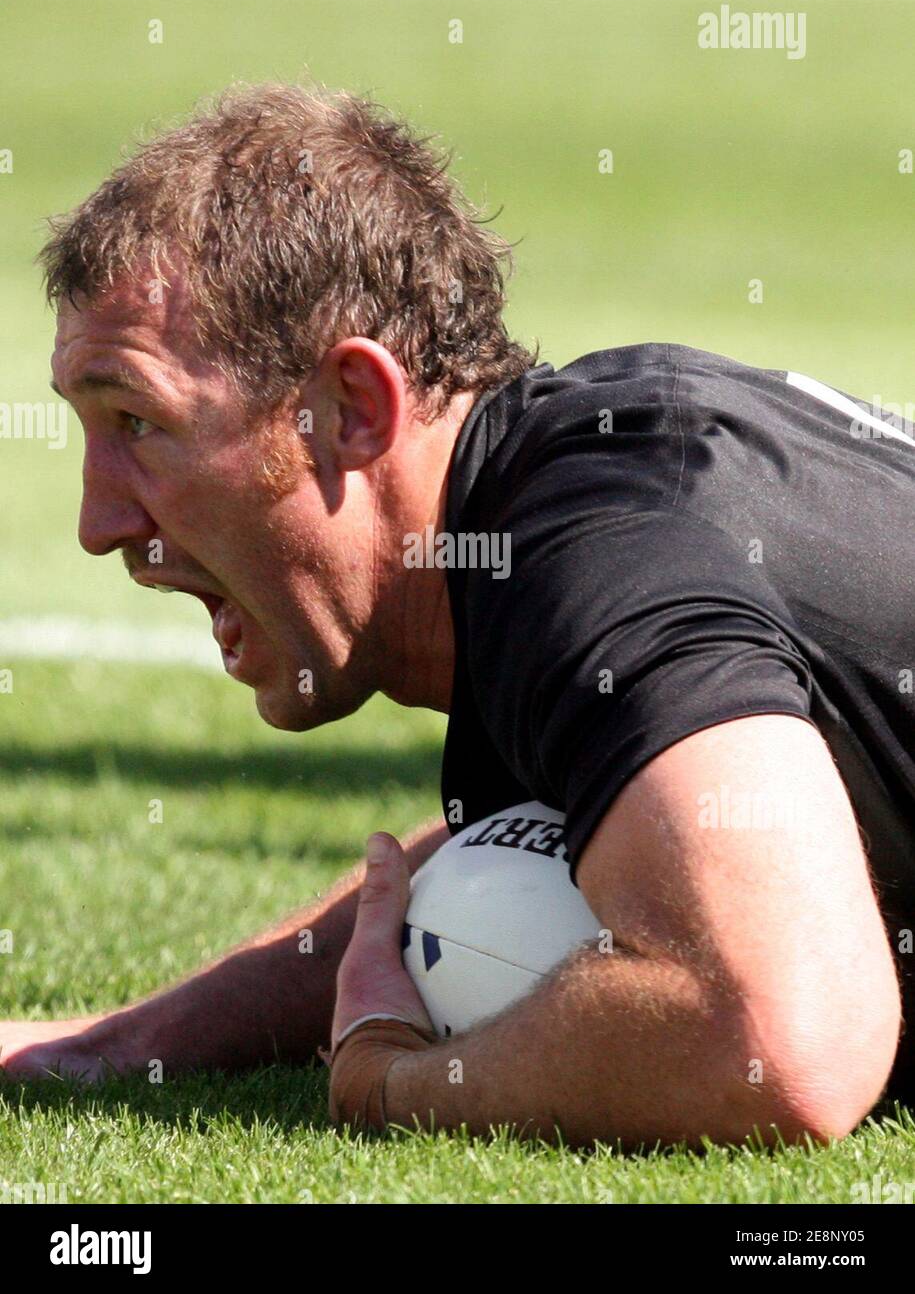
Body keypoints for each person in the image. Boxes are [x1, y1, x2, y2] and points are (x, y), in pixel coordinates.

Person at [0, 83, 908, 1149]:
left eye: (138, 423)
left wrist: (390, 1083)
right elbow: (637, 810)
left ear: (351, 409)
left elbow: (779, 1046)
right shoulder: (576, 484)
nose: (99, 524)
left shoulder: (598, 558)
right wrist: (107, 1045)